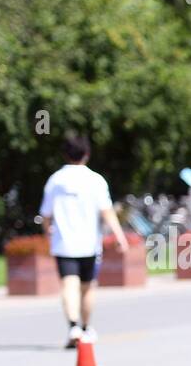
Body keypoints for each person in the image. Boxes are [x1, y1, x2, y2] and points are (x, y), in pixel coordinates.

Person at [38, 133, 127, 348]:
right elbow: (107, 211)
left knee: (69, 284)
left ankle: (73, 326)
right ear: (87, 154)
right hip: (89, 243)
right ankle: (86, 328)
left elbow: (45, 215)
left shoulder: (56, 180)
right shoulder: (95, 180)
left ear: (65, 154)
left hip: (63, 242)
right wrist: (119, 236)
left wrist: (46, 232)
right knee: (87, 288)